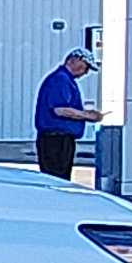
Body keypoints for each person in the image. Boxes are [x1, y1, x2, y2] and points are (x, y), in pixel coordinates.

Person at [34, 47, 102, 181]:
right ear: (74, 61)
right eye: (85, 67)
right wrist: (88, 115)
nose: (86, 72)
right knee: (56, 179)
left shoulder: (65, 80)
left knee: (59, 177)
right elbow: (60, 109)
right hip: (56, 139)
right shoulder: (60, 80)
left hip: (60, 139)